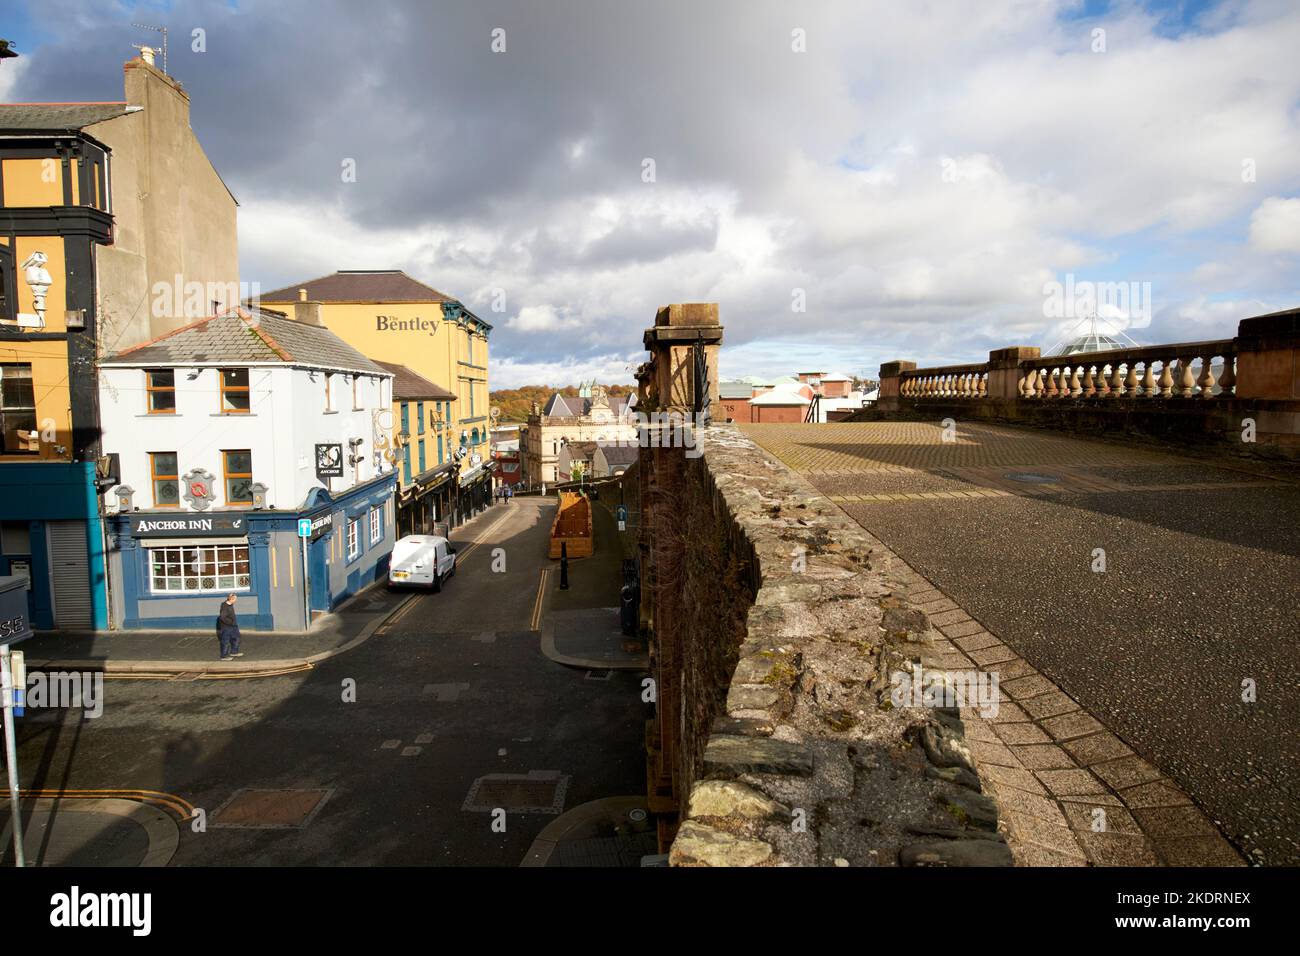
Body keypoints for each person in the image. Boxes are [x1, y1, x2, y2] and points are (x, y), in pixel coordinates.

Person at [217, 593, 243, 661]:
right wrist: (230, 622)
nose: (236, 600)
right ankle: (224, 656)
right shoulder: (225, 606)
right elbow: (223, 617)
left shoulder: (230, 605)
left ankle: (234, 652)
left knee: (237, 638)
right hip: (227, 627)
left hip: (233, 626)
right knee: (225, 641)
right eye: (235, 599)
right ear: (231, 599)